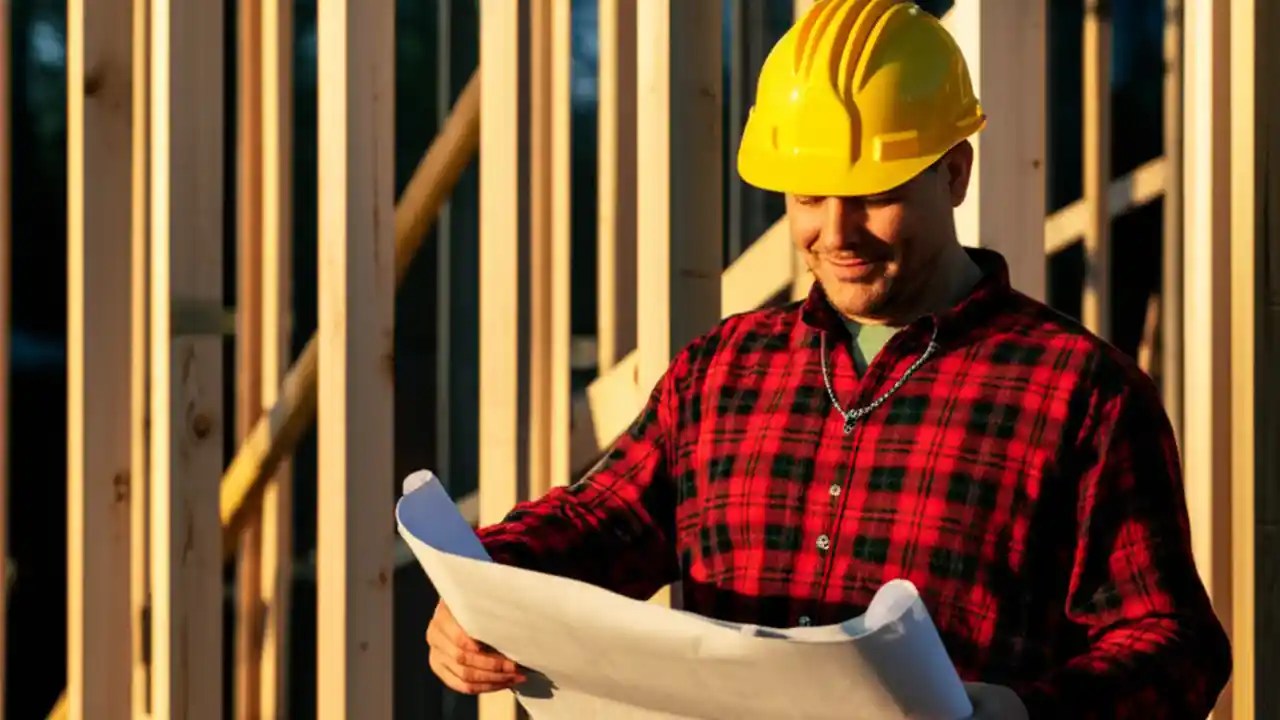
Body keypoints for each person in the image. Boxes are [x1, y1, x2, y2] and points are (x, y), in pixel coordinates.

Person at [426, 1, 1232, 716]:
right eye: (809, 196)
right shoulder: (722, 374)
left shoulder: (1079, 393)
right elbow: (594, 527)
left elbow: (1175, 648)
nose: (836, 236)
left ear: (955, 172)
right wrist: (483, 585)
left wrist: (1028, 712)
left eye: (874, 196)